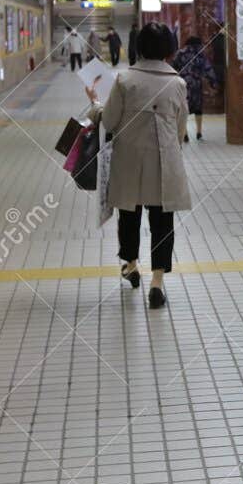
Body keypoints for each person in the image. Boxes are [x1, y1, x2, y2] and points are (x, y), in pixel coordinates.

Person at [87, 22, 191, 310]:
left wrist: (94, 103)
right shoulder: (178, 84)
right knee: (162, 221)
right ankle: (157, 282)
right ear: (169, 50)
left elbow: (108, 121)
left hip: (130, 159)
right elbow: (180, 129)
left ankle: (131, 265)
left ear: (140, 48)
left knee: (129, 215)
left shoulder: (124, 80)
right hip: (164, 161)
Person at [171, 35, 217, 142]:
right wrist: (213, 82)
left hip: (183, 85)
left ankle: (185, 134)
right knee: (198, 109)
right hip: (196, 85)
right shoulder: (200, 54)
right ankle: (199, 132)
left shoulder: (180, 53)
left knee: (184, 109)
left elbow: (173, 67)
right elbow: (208, 68)